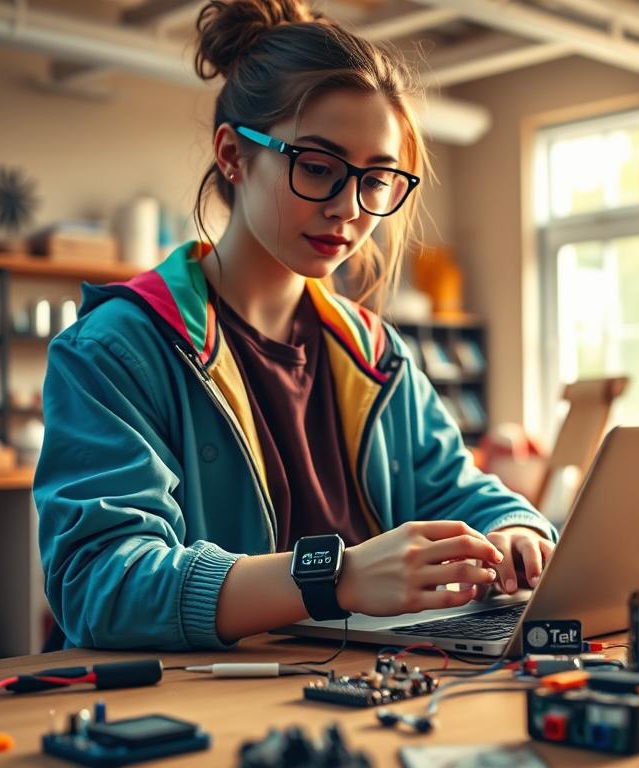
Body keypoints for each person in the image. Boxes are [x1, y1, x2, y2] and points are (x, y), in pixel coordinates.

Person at [34, 0, 555, 651]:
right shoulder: (116, 349)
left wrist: (515, 530)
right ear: (232, 155)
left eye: (377, 178)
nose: (349, 209)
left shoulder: (376, 355)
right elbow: (99, 584)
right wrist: (334, 577)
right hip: (184, 717)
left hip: (356, 700)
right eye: (317, 167)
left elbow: (462, 490)